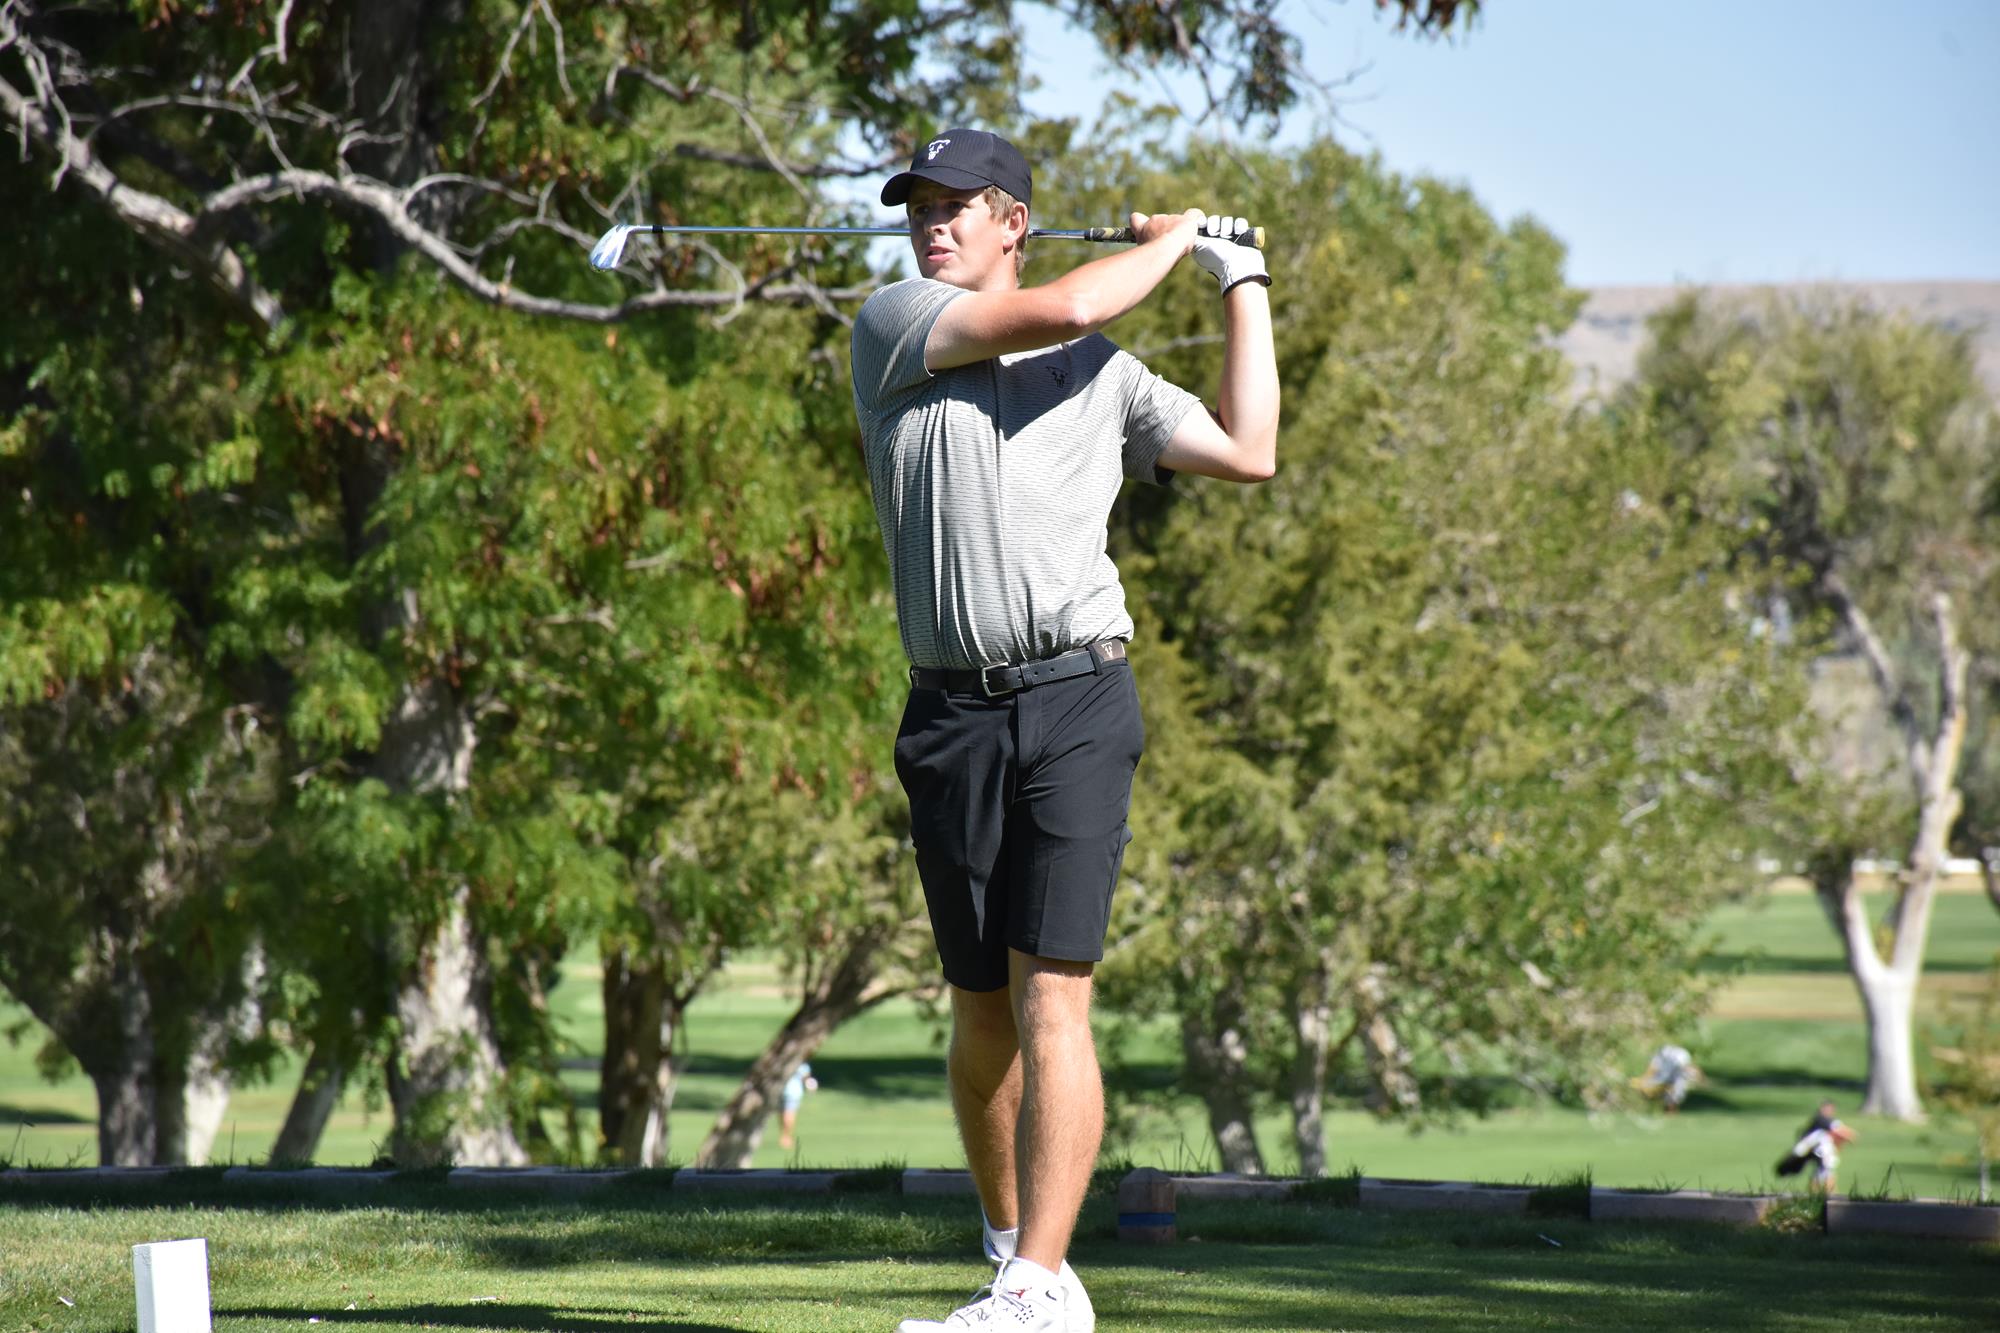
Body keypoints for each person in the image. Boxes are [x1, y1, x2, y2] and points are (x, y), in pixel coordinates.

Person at [849, 128, 1278, 1332]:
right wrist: (1176, 242)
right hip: (948, 709)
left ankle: (1036, 1284)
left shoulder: (1103, 370)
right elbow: (1067, 302)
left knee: (1054, 999)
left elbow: (1249, 450)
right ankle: (1013, 1260)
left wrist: (1238, 282)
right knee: (979, 1001)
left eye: (954, 205)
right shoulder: (895, 325)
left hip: (1079, 697)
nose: (929, 222)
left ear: (1012, 219)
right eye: (916, 204)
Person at [1776, 1100, 1858, 1193]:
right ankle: (1829, 1193)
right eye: (1827, 1109)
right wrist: (1851, 1136)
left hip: (1815, 1151)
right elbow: (1839, 1129)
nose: (1829, 1111)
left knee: (1823, 1171)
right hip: (1809, 1150)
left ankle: (1821, 1192)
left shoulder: (1824, 1120)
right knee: (1825, 1170)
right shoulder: (1820, 1119)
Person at [1634, 1043, 1701, 1113]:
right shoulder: (1665, 1055)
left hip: (1674, 1077)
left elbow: (1687, 1068)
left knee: (1674, 1095)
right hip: (1664, 1077)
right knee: (1669, 1093)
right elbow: (1652, 1069)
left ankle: (1670, 1112)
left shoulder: (1680, 1054)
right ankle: (1663, 1110)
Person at [777, 1062, 817, 1152]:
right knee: (789, 1114)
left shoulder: (782, 1062)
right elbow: (806, 1078)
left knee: (782, 1113)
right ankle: (786, 1137)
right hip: (793, 1092)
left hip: (780, 1091)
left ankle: (784, 1135)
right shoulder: (801, 1064)